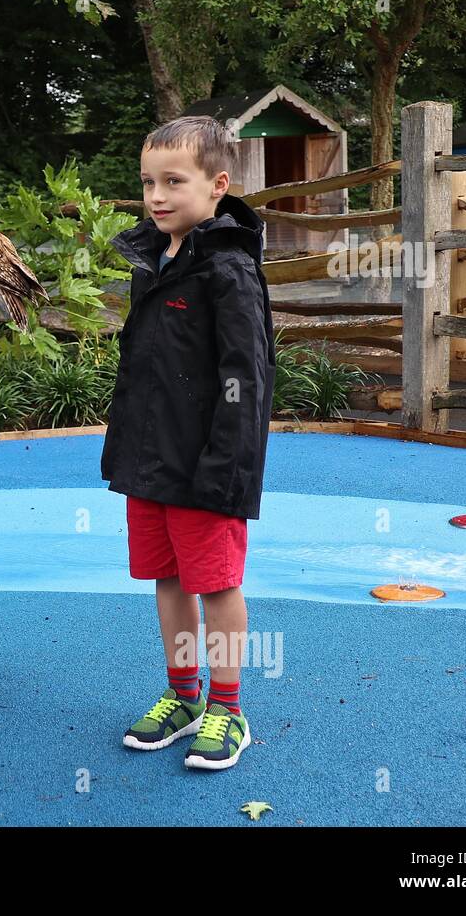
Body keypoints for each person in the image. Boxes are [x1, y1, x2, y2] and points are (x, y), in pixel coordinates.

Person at [100, 115, 276, 770]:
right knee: (167, 580)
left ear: (217, 185)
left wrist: (226, 468)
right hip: (150, 462)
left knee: (216, 585)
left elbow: (247, 378)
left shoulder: (229, 271)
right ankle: (183, 695)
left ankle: (228, 707)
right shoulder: (155, 257)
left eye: (174, 181)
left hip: (208, 467)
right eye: (148, 182)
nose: (157, 196)